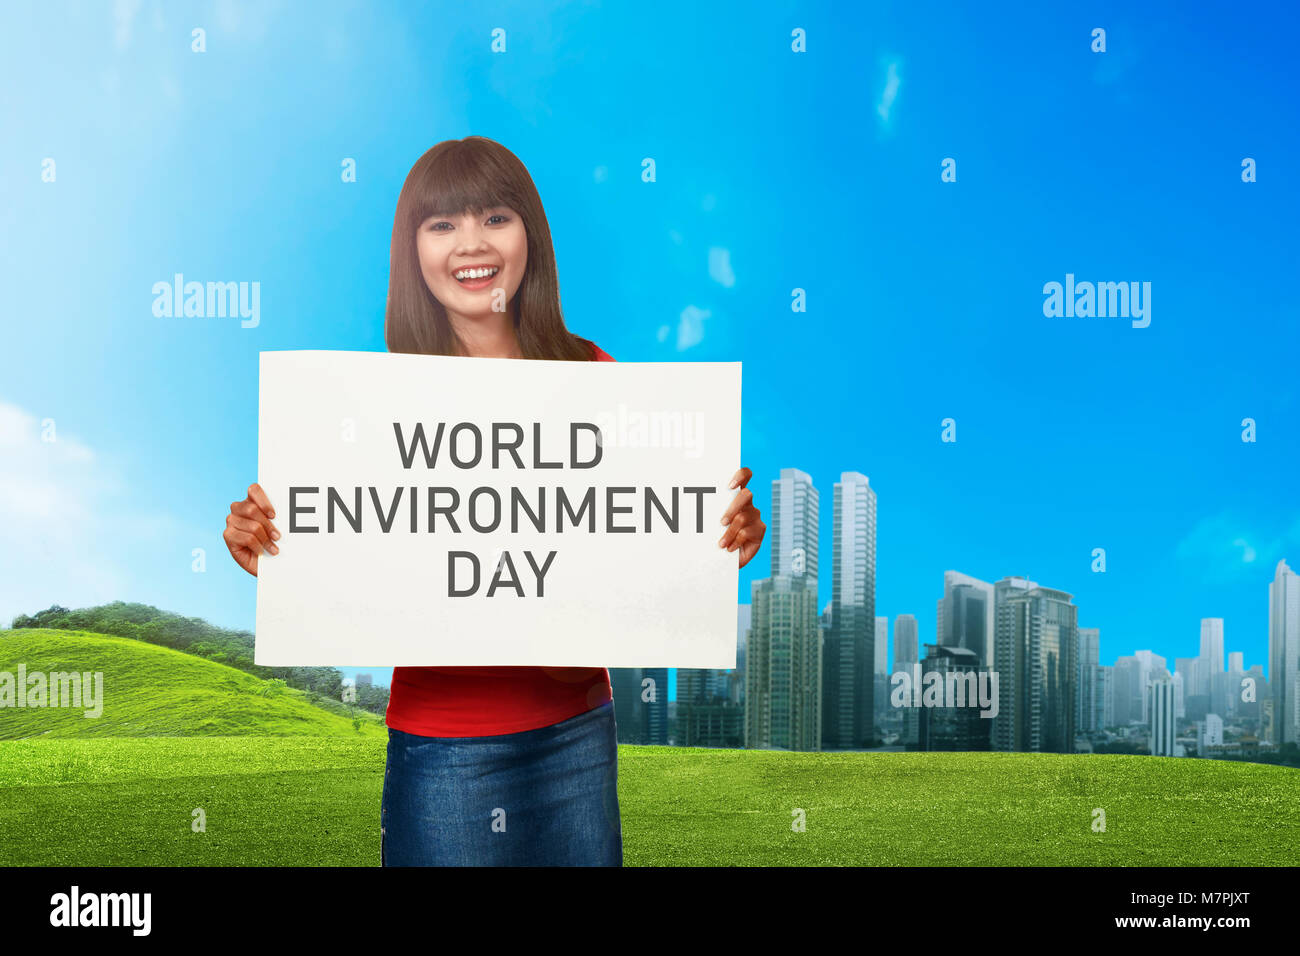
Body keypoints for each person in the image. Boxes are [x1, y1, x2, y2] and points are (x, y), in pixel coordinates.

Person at [223, 136, 766, 866]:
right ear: (412, 250)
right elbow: (361, 558)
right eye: (441, 224)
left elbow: (633, 544)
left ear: (528, 236)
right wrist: (277, 551)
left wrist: (718, 533)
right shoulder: (371, 407)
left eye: (494, 218)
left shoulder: (593, 374)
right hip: (444, 747)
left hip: (577, 735)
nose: (470, 245)